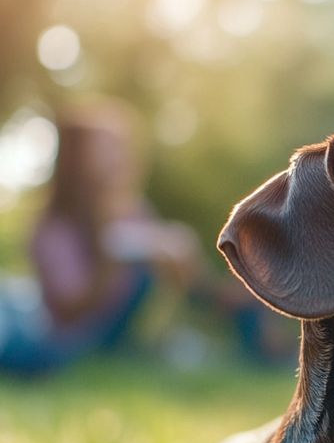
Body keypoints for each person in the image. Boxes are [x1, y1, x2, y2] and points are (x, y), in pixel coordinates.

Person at [0, 100, 200, 376]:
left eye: (122, 147)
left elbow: (180, 283)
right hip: (59, 343)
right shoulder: (54, 227)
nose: (120, 158)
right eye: (107, 148)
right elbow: (69, 310)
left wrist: (176, 260)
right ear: (77, 161)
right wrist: (111, 259)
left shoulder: (134, 212)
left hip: (113, 341)